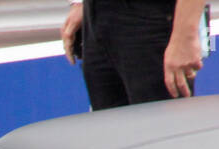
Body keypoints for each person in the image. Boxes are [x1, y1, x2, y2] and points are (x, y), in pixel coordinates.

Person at [62, 0, 206, 110]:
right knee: (112, 141)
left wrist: (185, 33)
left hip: (150, 17)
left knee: (163, 137)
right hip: (96, 14)